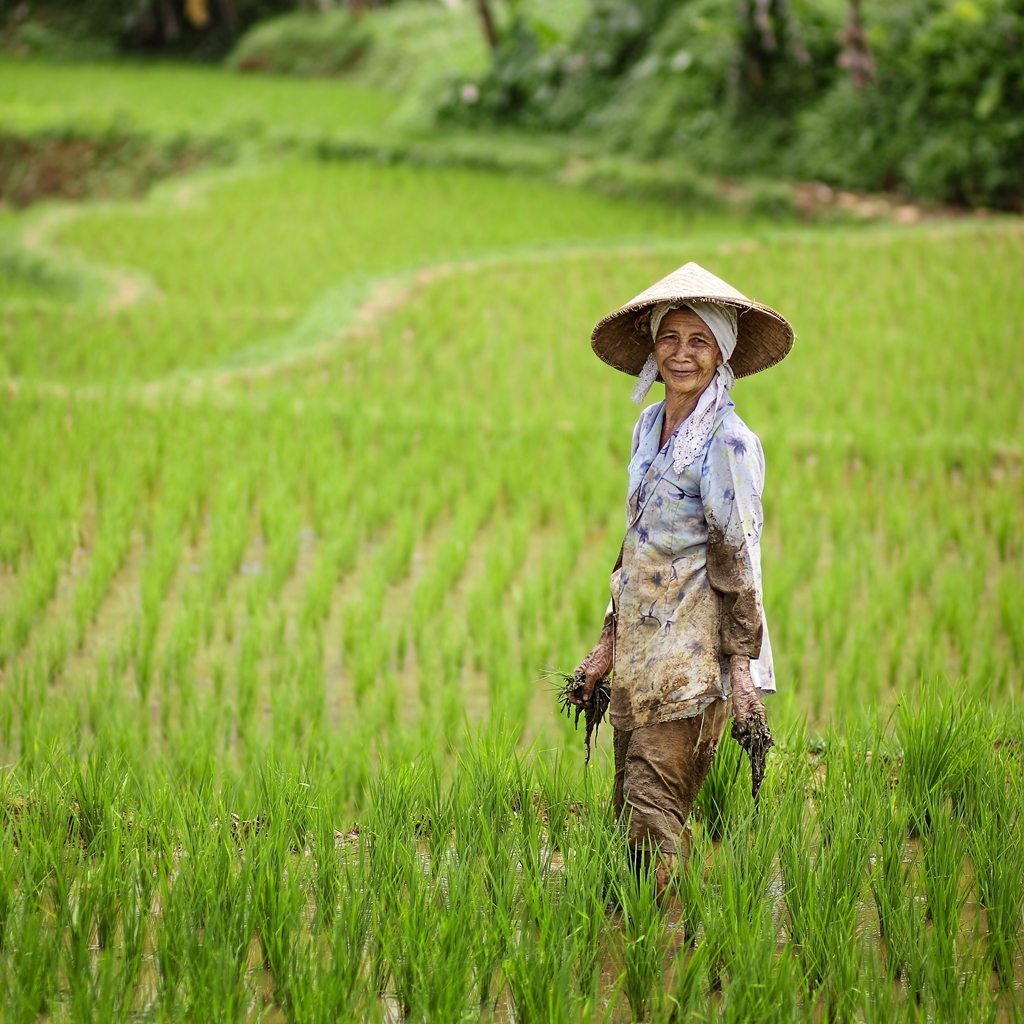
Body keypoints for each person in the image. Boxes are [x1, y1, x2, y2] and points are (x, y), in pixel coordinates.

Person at [574, 262, 794, 889]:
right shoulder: (648, 427)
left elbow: (736, 558)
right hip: (644, 654)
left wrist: (741, 678)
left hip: (696, 664)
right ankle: (636, 946)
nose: (681, 353)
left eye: (700, 340)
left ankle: (666, 953)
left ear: (721, 353)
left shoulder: (729, 442)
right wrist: (605, 646)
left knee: (653, 816)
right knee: (627, 814)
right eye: (670, 337)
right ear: (652, 344)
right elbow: (637, 545)